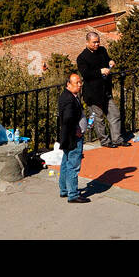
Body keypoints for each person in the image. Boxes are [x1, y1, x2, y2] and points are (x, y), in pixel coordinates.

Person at [76, 30, 128, 148]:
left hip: (105, 91)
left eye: (98, 42)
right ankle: (105, 141)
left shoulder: (102, 50)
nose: (97, 44)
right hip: (93, 94)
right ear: (87, 42)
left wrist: (110, 61)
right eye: (94, 42)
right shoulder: (82, 58)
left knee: (114, 114)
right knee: (99, 119)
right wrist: (100, 71)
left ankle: (117, 139)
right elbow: (86, 74)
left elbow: (107, 59)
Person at [56, 71, 89, 203]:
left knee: (65, 163)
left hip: (67, 137)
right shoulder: (69, 99)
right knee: (73, 165)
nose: (80, 85)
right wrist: (77, 129)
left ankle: (64, 189)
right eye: (77, 83)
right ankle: (73, 194)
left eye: (80, 82)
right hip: (73, 138)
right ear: (68, 84)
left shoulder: (66, 96)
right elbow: (68, 118)